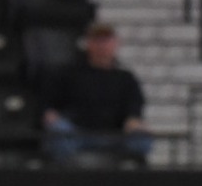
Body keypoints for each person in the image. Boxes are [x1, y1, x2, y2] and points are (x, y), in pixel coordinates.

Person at [41, 22, 153, 164]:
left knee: (141, 137)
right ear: (88, 43)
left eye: (106, 40)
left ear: (115, 43)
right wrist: (51, 116)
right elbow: (50, 104)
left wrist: (133, 121)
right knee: (59, 130)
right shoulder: (69, 74)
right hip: (78, 134)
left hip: (115, 136)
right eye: (97, 40)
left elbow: (134, 107)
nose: (102, 45)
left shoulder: (126, 78)